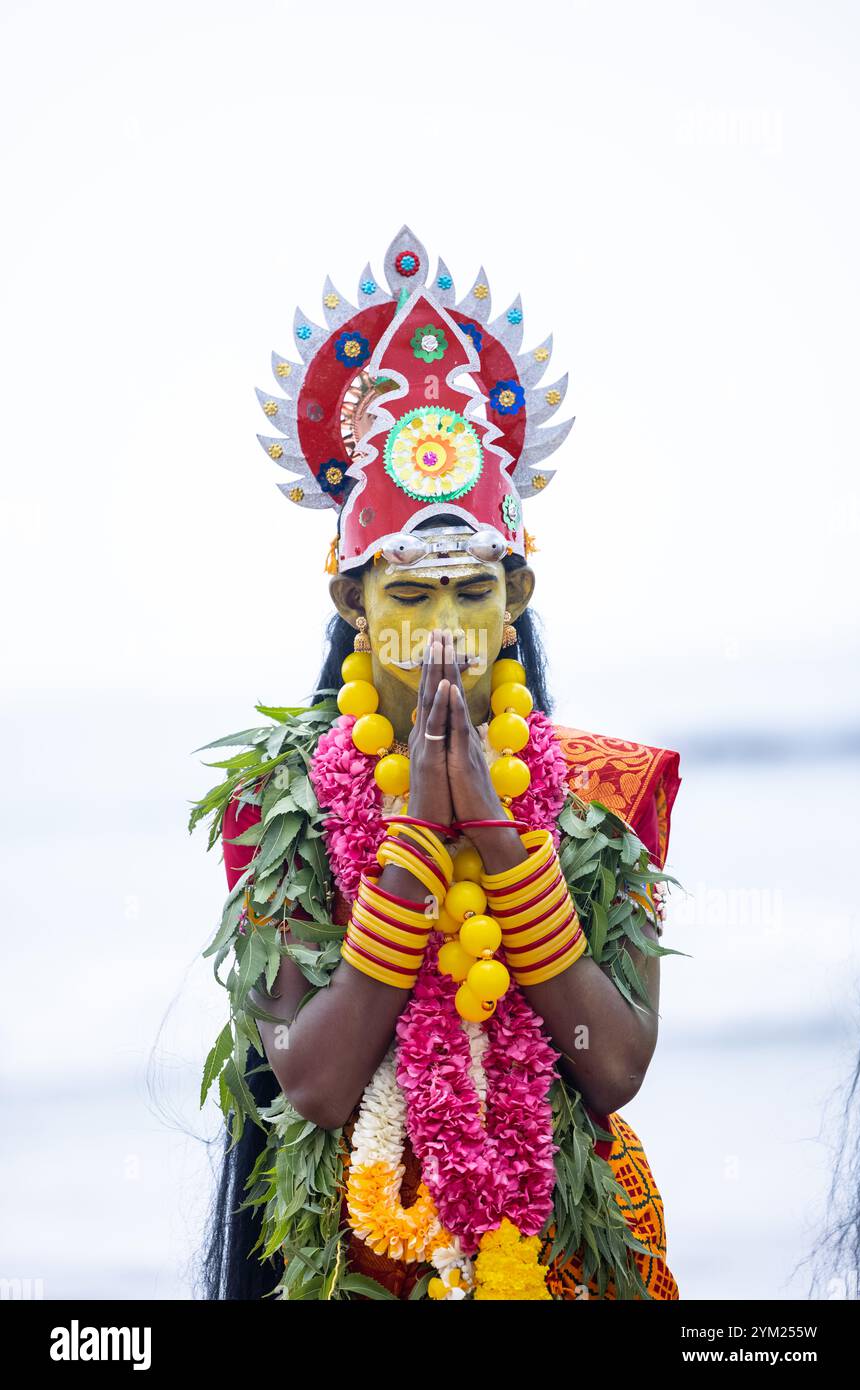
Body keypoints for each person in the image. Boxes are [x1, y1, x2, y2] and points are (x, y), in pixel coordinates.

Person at [193, 228, 683, 1301]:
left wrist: (502, 844)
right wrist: (415, 842)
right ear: (353, 608)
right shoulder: (275, 807)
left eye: (472, 591)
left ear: (516, 599)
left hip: (564, 1247)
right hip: (356, 1250)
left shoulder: (609, 791)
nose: (446, 628)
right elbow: (316, 1083)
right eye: (409, 597)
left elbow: (611, 1066)